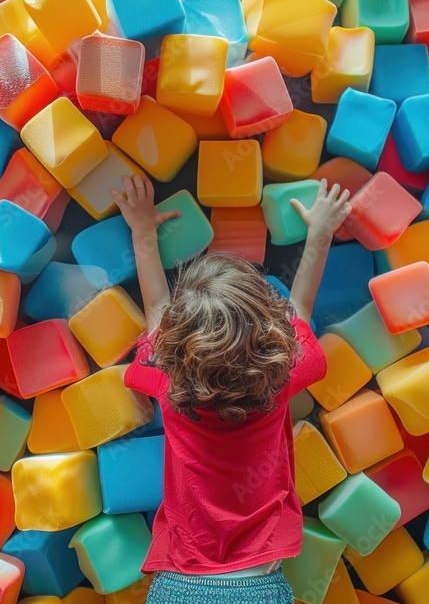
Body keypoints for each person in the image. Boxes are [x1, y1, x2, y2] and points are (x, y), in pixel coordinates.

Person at [109, 174, 352, 604]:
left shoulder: (166, 376)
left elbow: (154, 307)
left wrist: (143, 229)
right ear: (270, 329)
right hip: (257, 582)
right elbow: (302, 307)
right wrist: (320, 232)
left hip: (181, 581)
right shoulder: (283, 373)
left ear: (176, 338)